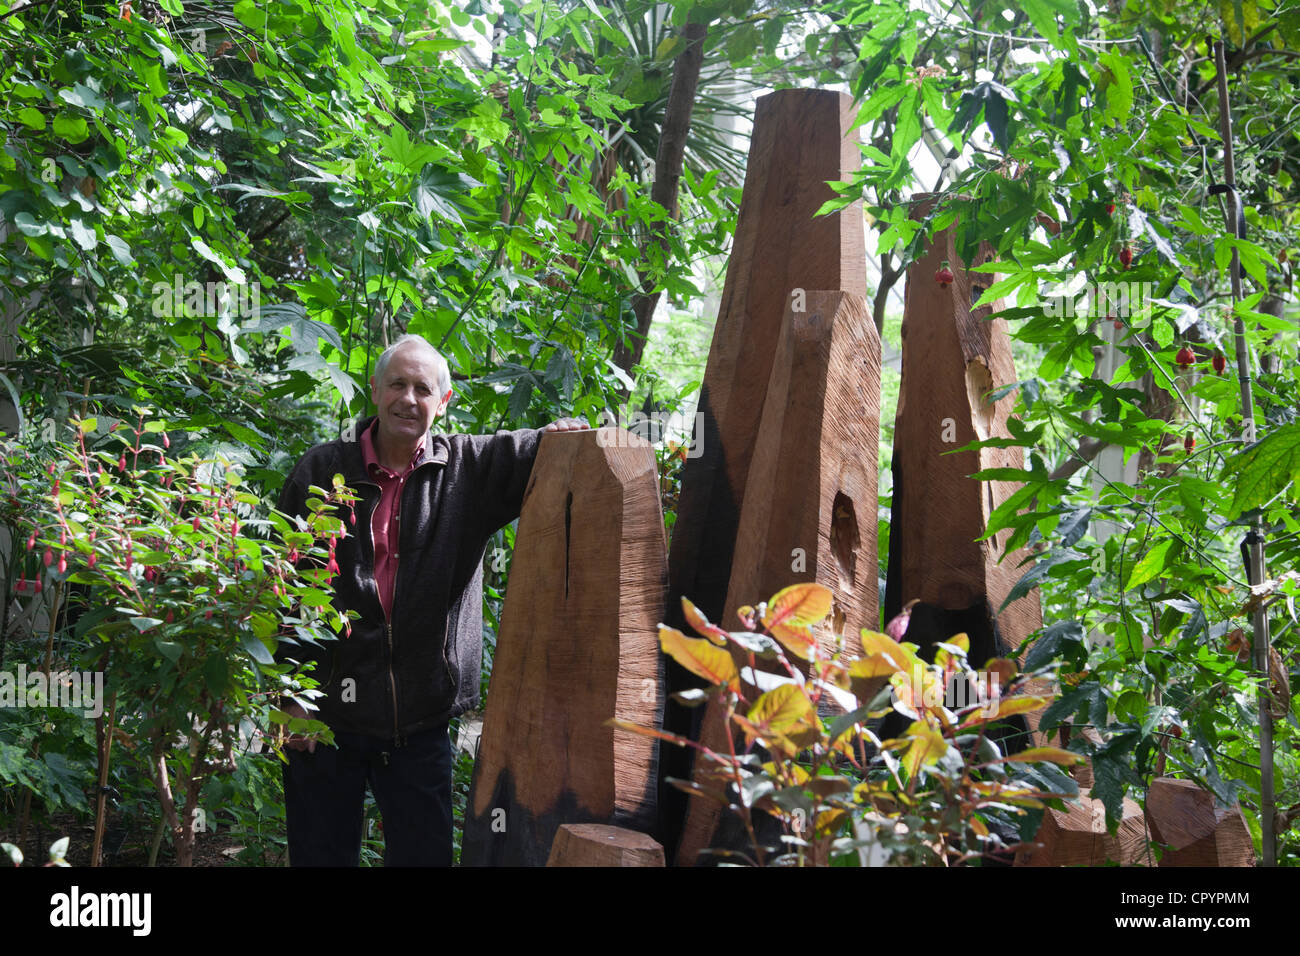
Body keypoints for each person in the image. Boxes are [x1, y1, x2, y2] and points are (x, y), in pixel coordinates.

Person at [275, 333, 587, 866]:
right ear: (374, 391)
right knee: (319, 858)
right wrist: (289, 695)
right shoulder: (322, 469)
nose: (408, 398)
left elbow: (540, 448)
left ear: (443, 402)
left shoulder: (468, 468)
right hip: (326, 713)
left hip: (419, 719)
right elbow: (282, 580)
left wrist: (561, 435)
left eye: (423, 388)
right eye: (397, 383)